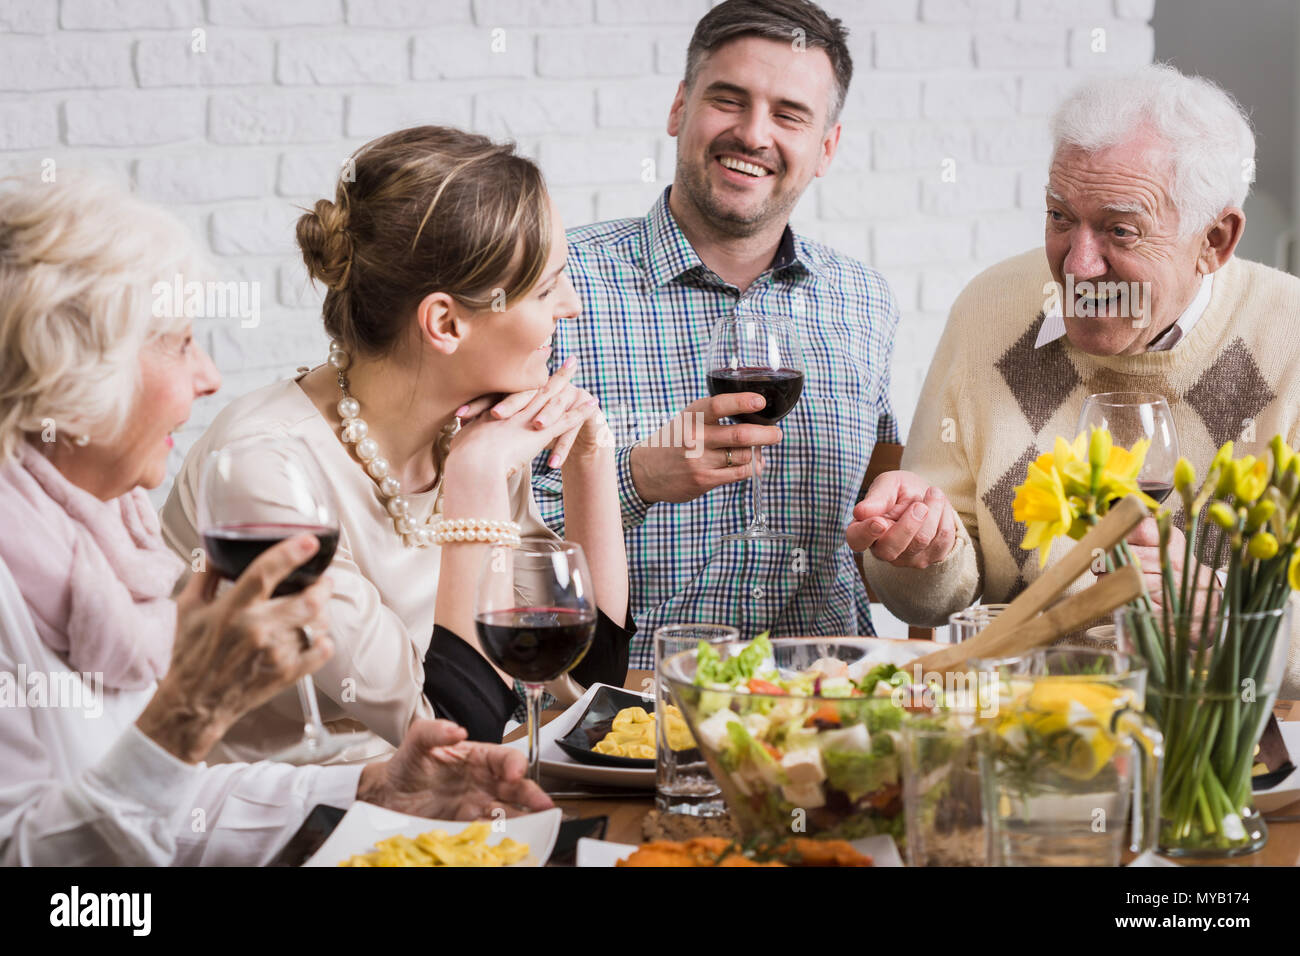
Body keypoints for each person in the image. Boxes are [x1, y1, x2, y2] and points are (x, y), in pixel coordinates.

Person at [0, 175, 552, 866]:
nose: (209, 377)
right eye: (177, 343)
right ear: (67, 375)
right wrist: (187, 714)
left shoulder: (99, 535)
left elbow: (168, 804)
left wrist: (375, 789)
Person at [162, 127, 631, 751]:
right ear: (445, 322)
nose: (570, 306)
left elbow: (593, 678)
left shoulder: (469, 434)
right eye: (546, 288)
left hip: (420, 810)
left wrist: (589, 458)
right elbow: (448, 732)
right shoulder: (266, 470)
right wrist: (476, 483)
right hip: (289, 828)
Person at [848, 65, 1300, 697]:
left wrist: (1225, 617)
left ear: (1215, 240)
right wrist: (926, 549)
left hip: (1217, 744)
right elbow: (925, 594)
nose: (1078, 265)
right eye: (1060, 217)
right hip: (1023, 725)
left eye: (1120, 229)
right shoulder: (990, 310)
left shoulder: (1290, 338)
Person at [530, 0, 900, 663]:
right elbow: (479, 534)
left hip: (828, 713)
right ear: (679, 109)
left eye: (789, 115)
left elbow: (876, 529)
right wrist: (636, 476)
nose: (754, 135)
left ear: (826, 148)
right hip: (631, 718)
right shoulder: (556, 283)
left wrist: (912, 531)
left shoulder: (864, 300)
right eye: (728, 100)